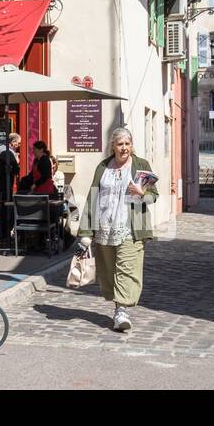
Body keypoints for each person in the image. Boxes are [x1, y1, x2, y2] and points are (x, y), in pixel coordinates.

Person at [76, 126, 158, 333]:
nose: (124, 148)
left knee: (126, 268)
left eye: (127, 144)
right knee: (110, 271)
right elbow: (92, 198)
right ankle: (117, 306)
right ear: (112, 146)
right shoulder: (103, 167)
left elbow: (153, 196)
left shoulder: (141, 165)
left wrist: (141, 192)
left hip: (130, 229)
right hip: (105, 228)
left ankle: (122, 311)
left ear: (132, 145)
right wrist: (86, 232)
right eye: (120, 144)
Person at [0, 133, 21, 243]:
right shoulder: (11, 153)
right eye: (18, 143)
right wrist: (17, 159)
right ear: (13, 143)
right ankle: (5, 234)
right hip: (7, 184)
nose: (19, 145)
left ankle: (0, 233)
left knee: (0, 208)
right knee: (7, 209)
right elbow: (16, 171)